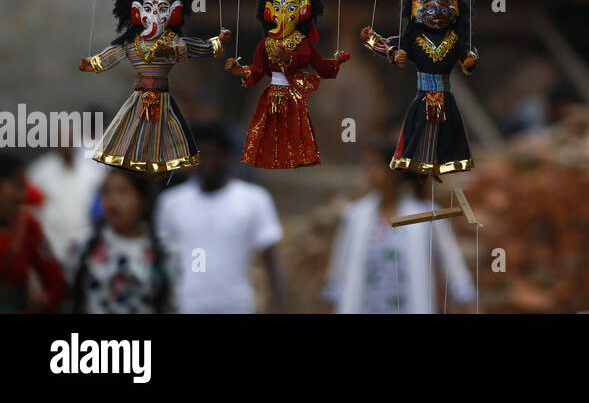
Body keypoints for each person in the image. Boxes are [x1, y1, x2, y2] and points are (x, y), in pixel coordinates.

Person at [322, 143, 475, 314]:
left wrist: (468, 302)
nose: (368, 172)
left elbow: (453, 268)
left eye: (375, 165)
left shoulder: (426, 216)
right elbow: (338, 272)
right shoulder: (356, 216)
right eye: (367, 166)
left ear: (395, 170)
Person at [155, 121, 289, 313]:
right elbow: (161, 260)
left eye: (213, 155)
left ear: (227, 157)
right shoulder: (171, 202)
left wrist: (282, 307)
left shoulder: (254, 200)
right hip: (183, 306)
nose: (207, 163)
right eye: (201, 155)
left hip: (235, 306)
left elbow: (271, 259)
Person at [70, 170, 176, 313]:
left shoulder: (165, 251)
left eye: (122, 192)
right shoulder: (83, 245)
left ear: (143, 200)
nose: (113, 202)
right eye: (106, 192)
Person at [0, 149, 67, 313]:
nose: (21, 195)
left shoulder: (27, 226)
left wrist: (41, 302)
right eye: (16, 186)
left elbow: (56, 282)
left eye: (23, 187)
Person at [26, 142, 107, 269]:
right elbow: (29, 209)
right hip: (51, 248)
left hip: (86, 249)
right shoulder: (40, 171)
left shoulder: (93, 171)